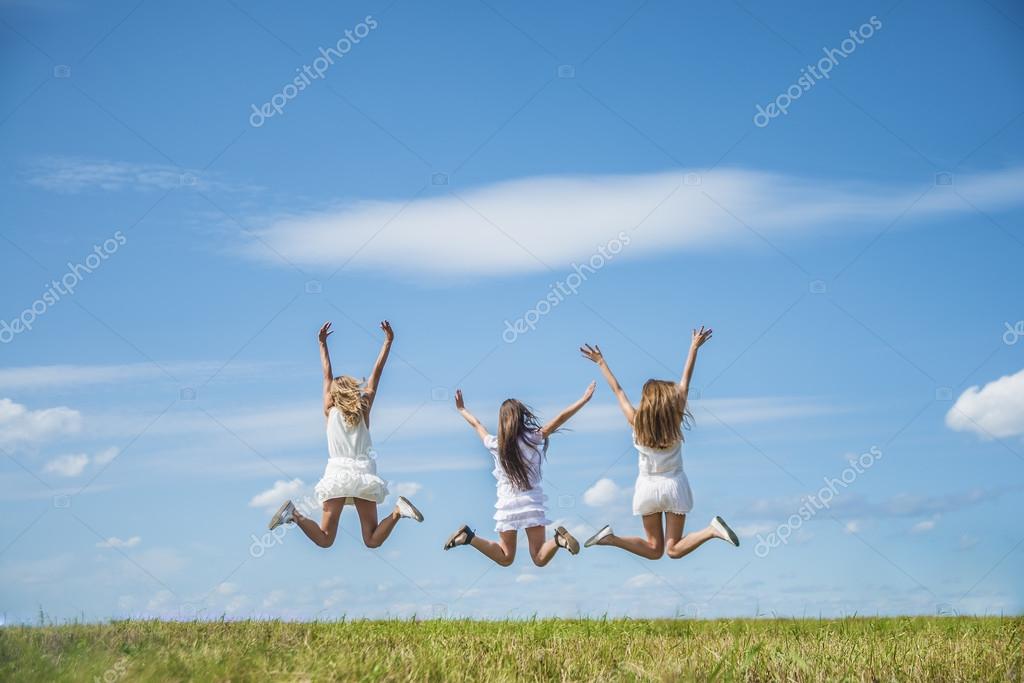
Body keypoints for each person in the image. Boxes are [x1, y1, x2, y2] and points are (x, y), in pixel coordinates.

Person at [579, 326, 739, 559]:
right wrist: (694, 347)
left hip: (647, 488)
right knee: (673, 550)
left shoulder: (636, 423)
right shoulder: (673, 422)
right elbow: (685, 382)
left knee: (655, 550)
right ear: (667, 402)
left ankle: (610, 538)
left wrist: (601, 362)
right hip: (674, 485)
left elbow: (619, 390)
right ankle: (711, 531)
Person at [267, 320, 424, 549]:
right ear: (353, 390)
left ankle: (294, 515)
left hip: (337, 472)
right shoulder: (363, 408)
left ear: (333, 394)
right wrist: (388, 341)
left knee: (325, 539)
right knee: (371, 540)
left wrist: (322, 345)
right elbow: (376, 374)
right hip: (363, 471)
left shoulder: (329, 411)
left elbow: (326, 374)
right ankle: (399, 511)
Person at [443, 382, 596, 566]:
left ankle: (468, 537)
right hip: (531, 503)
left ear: (502, 420)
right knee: (539, 557)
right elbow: (561, 417)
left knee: (506, 558)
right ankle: (558, 541)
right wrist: (584, 399)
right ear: (521, 417)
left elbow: (477, 425)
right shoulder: (533, 437)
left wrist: (461, 409)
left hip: (507, 505)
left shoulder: (496, 443)